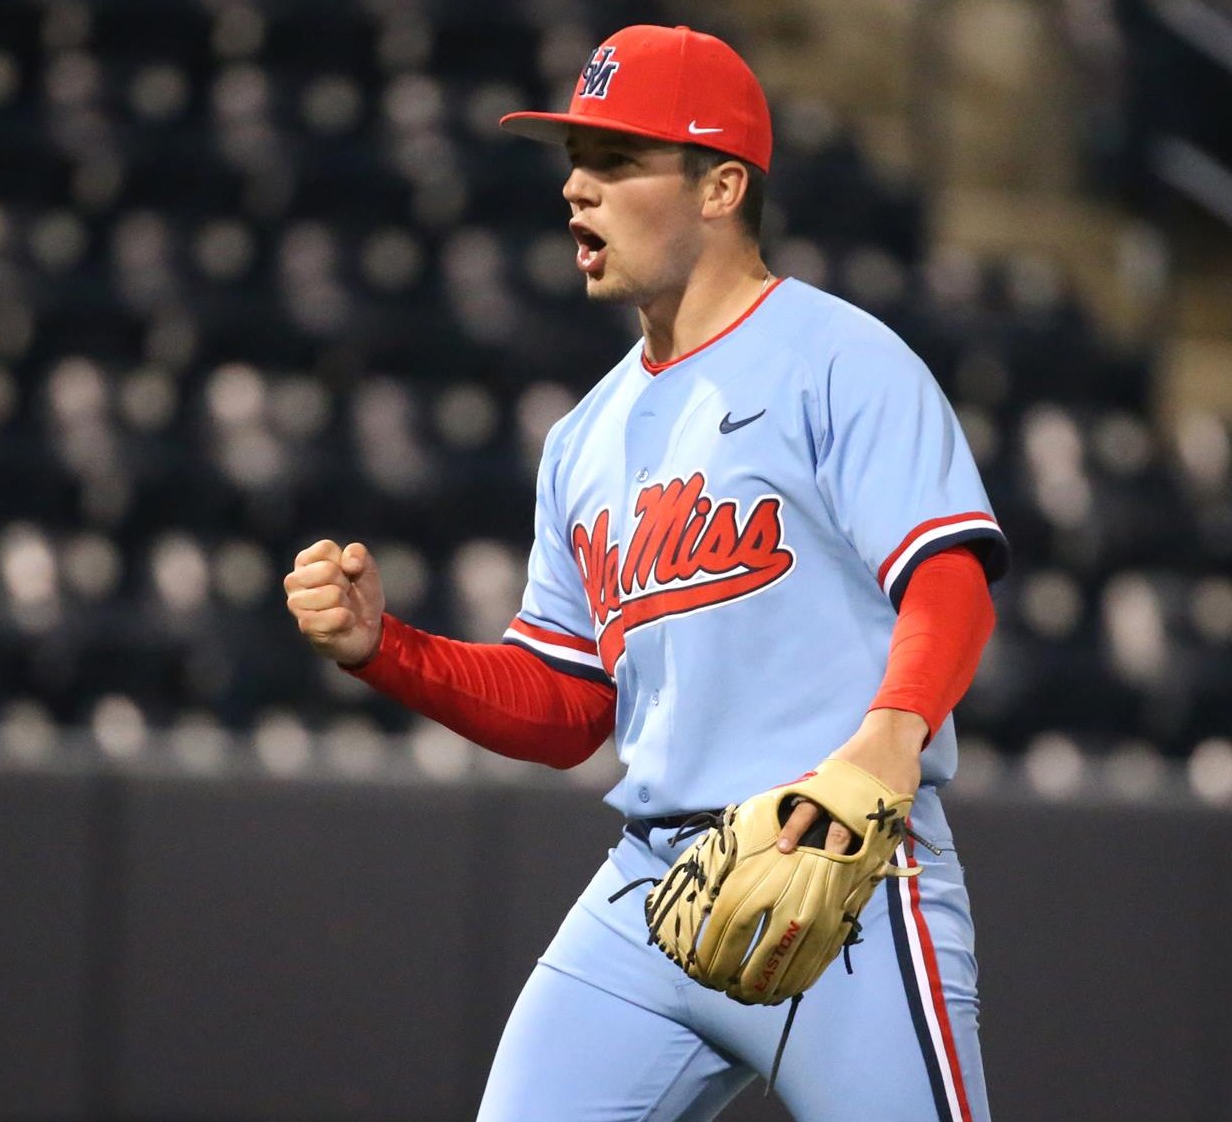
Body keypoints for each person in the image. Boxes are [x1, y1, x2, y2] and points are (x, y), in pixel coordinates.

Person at [283, 24, 1004, 1121]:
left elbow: (948, 576)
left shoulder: (839, 358)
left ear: (720, 188)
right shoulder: (585, 436)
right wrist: (387, 652)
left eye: (618, 161)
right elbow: (569, 705)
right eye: (576, 160)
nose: (576, 188)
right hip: (649, 892)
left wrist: (886, 739)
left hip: (845, 876)